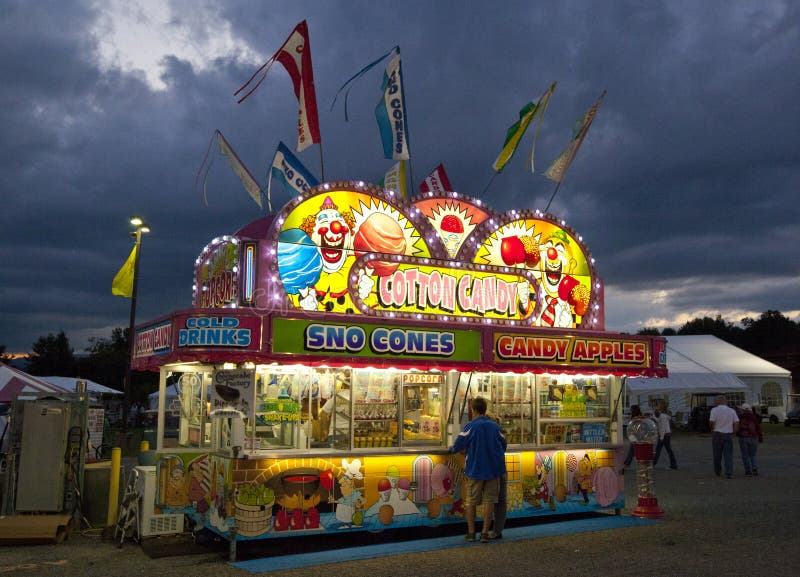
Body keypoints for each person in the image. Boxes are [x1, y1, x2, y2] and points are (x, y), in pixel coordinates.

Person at [449, 397, 507, 543]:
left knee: (471, 501)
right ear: (484, 409)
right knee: (489, 501)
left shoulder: (470, 426)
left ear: (473, 410)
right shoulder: (494, 426)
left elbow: (457, 445)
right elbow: (504, 443)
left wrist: (452, 450)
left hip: (475, 469)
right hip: (494, 470)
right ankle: (485, 533)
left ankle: (471, 533)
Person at [709, 395, 739, 478]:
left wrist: (712, 429)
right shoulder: (732, 410)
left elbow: (711, 421)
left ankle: (717, 471)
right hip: (728, 433)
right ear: (725, 402)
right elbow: (736, 422)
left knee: (717, 454)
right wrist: (734, 432)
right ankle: (729, 472)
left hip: (717, 433)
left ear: (718, 402)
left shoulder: (714, 410)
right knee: (728, 455)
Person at [737, 403, 763, 476]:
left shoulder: (740, 417)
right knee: (753, 454)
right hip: (754, 437)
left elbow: (737, 426)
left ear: (742, 409)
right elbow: (758, 428)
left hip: (743, 437)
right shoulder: (754, 417)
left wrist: (737, 433)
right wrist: (760, 438)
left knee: (745, 454)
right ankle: (754, 468)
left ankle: (748, 470)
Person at [653, 401, 678, 470]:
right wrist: (654, 417)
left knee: (660, 450)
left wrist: (661, 437)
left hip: (664, 435)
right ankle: (673, 465)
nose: (656, 407)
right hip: (666, 434)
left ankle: (673, 465)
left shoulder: (662, 415)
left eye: (658, 405)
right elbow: (659, 421)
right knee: (665, 450)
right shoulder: (664, 415)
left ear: (661, 406)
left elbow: (663, 426)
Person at [622, 404, 644, 472]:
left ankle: (626, 466)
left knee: (633, 452)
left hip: (636, 438)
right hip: (636, 437)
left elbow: (636, 429)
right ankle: (626, 465)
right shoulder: (638, 418)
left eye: (631, 410)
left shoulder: (637, 418)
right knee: (632, 452)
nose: (630, 411)